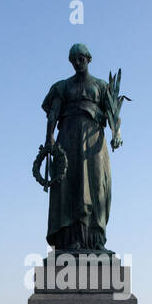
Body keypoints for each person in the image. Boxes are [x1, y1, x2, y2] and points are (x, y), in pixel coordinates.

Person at [41, 44, 124, 251]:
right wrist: (50, 137)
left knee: (96, 186)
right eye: (73, 60)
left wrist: (117, 134)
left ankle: (96, 240)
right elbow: (53, 114)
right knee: (70, 187)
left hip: (93, 142)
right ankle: (70, 240)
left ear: (89, 59)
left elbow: (114, 115)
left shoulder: (101, 86)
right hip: (68, 140)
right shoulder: (63, 87)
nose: (77, 63)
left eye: (81, 59)